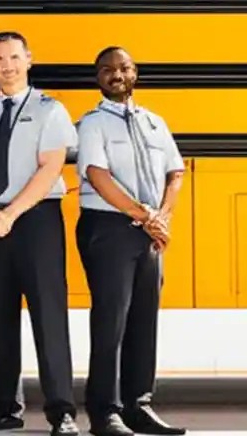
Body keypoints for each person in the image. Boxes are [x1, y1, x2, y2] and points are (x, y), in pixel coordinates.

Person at [0, 32, 78, 436]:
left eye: (13, 57)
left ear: (29, 59)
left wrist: (10, 213)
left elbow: (51, 167)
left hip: (36, 221)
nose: (6, 65)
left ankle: (61, 411)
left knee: (48, 315)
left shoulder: (49, 110)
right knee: (0, 316)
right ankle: (5, 407)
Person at [75, 47, 187, 436]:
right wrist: (145, 216)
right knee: (111, 320)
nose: (116, 75)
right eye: (107, 70)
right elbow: (97, 175)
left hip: (149, 231)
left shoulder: (155, 122)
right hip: (109, 228)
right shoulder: (91, 124)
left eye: (123, 68)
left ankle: (139, 405)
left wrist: (162, 217)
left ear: (135, 72)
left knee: (144, 319)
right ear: (98, 78)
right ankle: (105, 411)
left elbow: (175, 172)